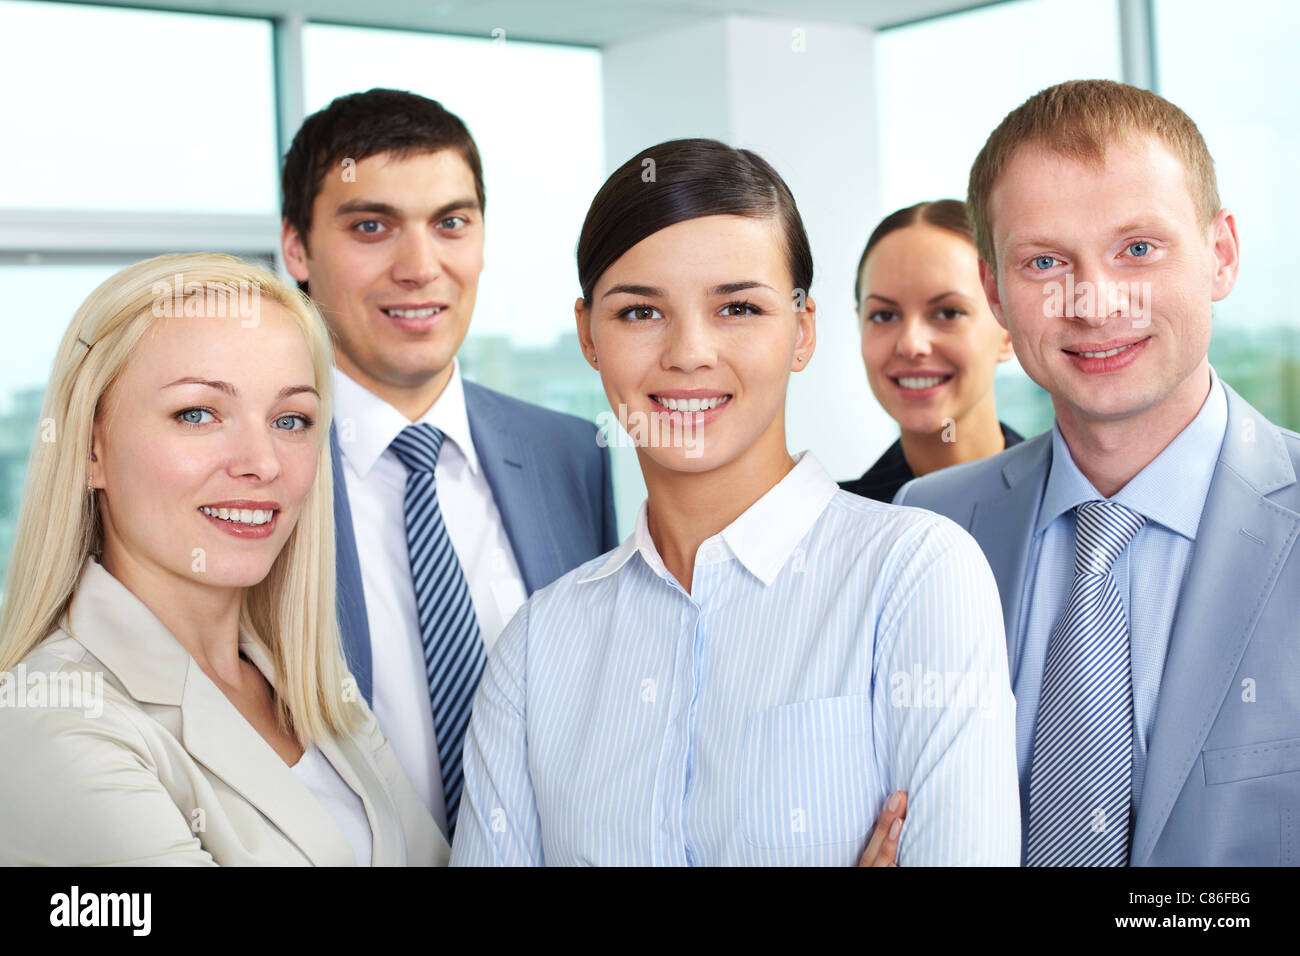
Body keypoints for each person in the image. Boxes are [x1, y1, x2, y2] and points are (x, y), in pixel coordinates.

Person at [449, 138, 1020, 866]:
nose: (689, 352)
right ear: (589, 333)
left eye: (738, 308)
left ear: (803, 329)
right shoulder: (535, 649)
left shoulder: (914, 576)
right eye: (638, 313)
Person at [895, 80, 1299, 866]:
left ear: (1221, 254)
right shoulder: (930, 525)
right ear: (995, 294)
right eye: (1045, 261)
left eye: (1138, 250)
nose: (1094, 301)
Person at [0, 253, 446, 865]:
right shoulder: (52, 720)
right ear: (90, 449)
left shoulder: (308, 688)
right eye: (197, 413)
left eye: (291, 419)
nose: (261, 462)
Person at [279, 89, 618, 839]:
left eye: (451, 224)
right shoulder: (257, 470)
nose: (420, 266)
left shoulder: (568, 453)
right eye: (372, 226)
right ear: (297, 248)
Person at [842, 200, 1022, 502]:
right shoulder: (821, 530)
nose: (911, 345)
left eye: (948, 313)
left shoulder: (1085, 509)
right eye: (884, 315)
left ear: (1007, 330)